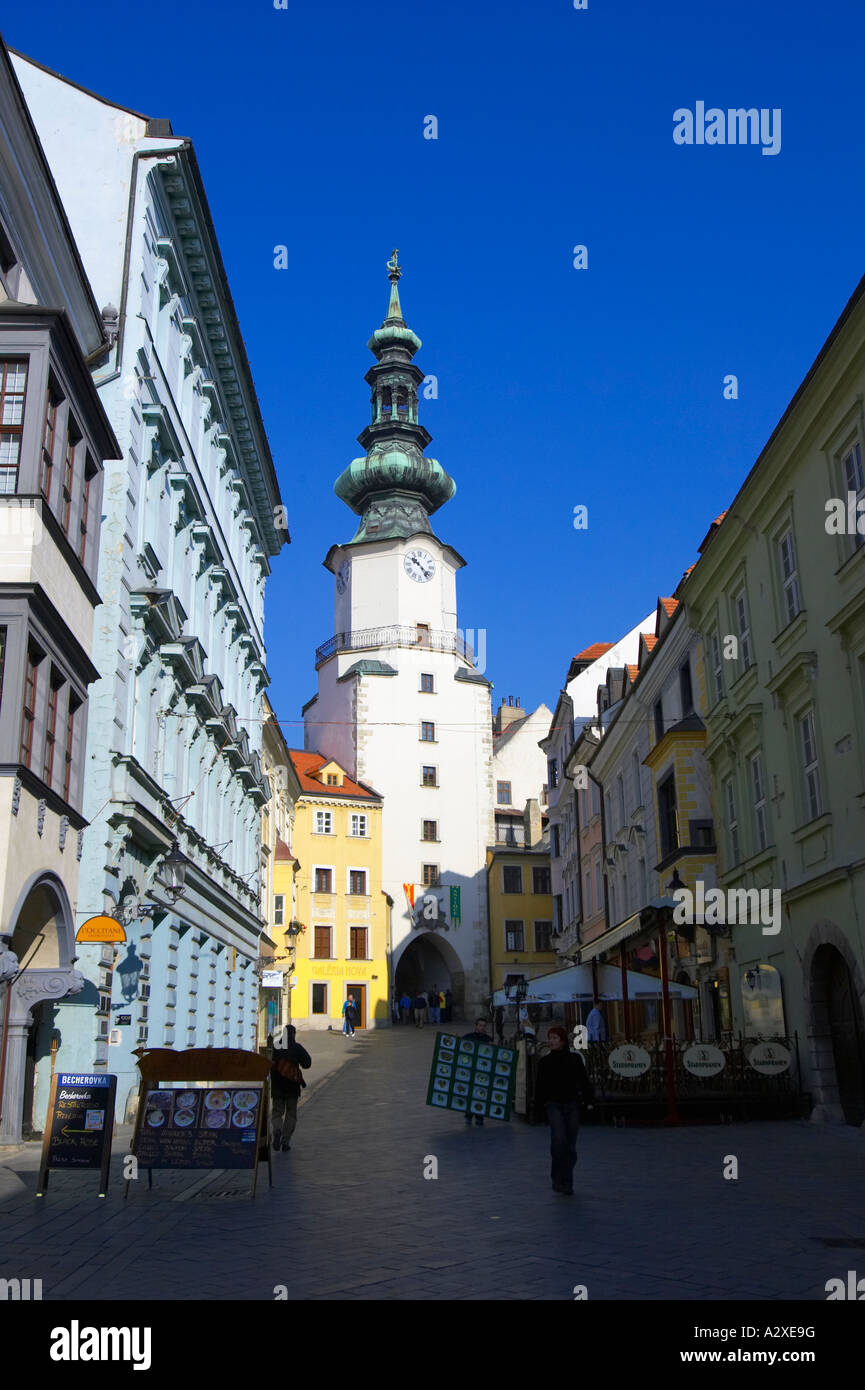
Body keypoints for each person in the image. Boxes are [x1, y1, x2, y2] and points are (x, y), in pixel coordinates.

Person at [534, 1024, 594, 1194]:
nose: (551, 1041)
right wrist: (539, 1107)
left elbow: (583, 1081)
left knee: (570, 1145)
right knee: (559, 1140)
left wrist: (589, 1100)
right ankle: (558, 1179)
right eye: (550, 1038)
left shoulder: (574, 1059)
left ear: (562, 1041)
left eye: (554, 1038)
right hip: (554, 1105)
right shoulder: (545, 1062)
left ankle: (567, 1180)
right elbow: (540, 1086)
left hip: (572, 1104)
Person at [270, 1025, 312, 1151]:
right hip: (292, 1086)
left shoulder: (276, 1046)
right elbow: (307, 1063)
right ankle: (285, 1141)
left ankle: (277, 1129)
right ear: (293, 1034)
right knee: (291, 1115)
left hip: (277, 1085)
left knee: (277, 1113)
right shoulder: (297, 1047)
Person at [460, 1019, 493, 1126]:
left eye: (484, 1026)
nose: (482, 1027)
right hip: (470, 1070)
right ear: (476, 1026)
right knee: (470, 1093)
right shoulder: (468, 1036)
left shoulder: (488, 1039)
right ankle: (469, 1115)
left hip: (482, 1070)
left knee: (481, 1094)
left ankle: (480, 1117)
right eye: (480, 1025)